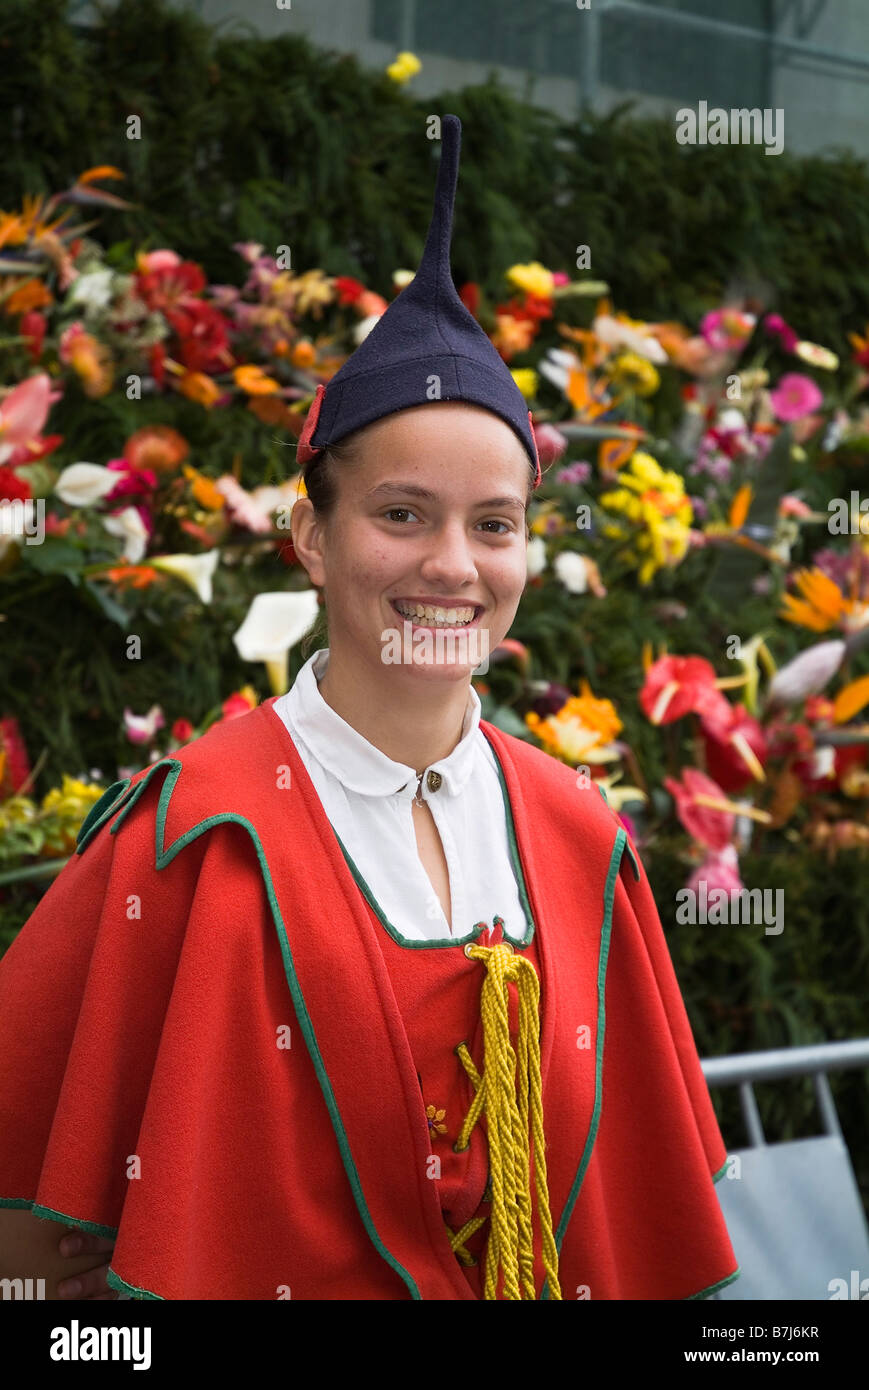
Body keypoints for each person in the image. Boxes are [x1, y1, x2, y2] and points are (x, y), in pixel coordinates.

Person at [0, 116, 740, 1301]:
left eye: (491, 524)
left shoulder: (581, 834)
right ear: (308, 536)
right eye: (401, 513)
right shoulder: (196, 831)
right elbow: (32, 1253)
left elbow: (633, 1230)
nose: (453, 562)